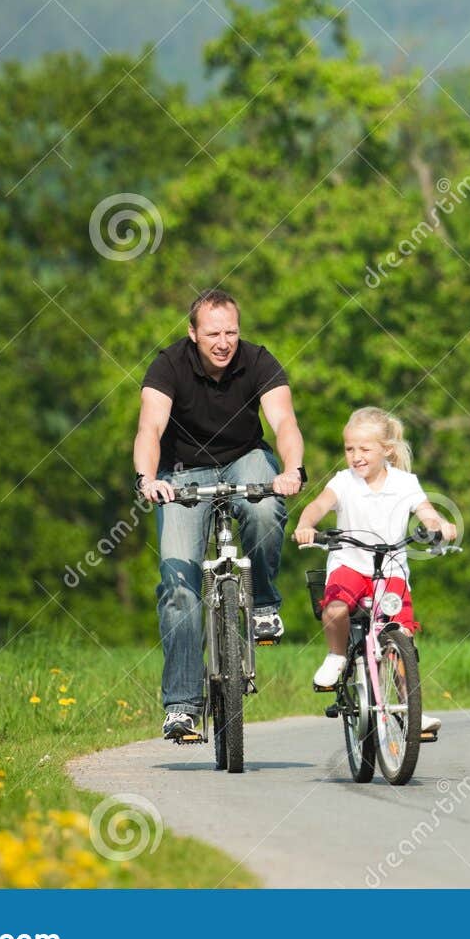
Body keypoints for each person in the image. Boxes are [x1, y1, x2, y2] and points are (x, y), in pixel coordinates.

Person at [135, 290, 305, 742]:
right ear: (193, 333)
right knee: (179, 588)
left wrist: (292, 470)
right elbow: (150, 427)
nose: (224, 342)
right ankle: (182, 706)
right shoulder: (168, 366)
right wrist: (147, 478)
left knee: (264, 507)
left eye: (231, 332)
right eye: (213, 333)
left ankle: (263, 604)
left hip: (244, 458)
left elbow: (284, 423)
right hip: (181, 471)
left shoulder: (259, 361)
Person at [292, 406, 456, 737]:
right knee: (335, 609)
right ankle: (336, 656)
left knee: (401, 637)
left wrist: (439, 525)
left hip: (391, 569)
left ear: (387, 450)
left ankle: (411, 710)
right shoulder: (344, 482)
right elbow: (318, 505)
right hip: (350, 563)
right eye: (349, 449)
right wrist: (306, 525)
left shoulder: (405, 483)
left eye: (365, 449)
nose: (356, 456)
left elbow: (426, 511)